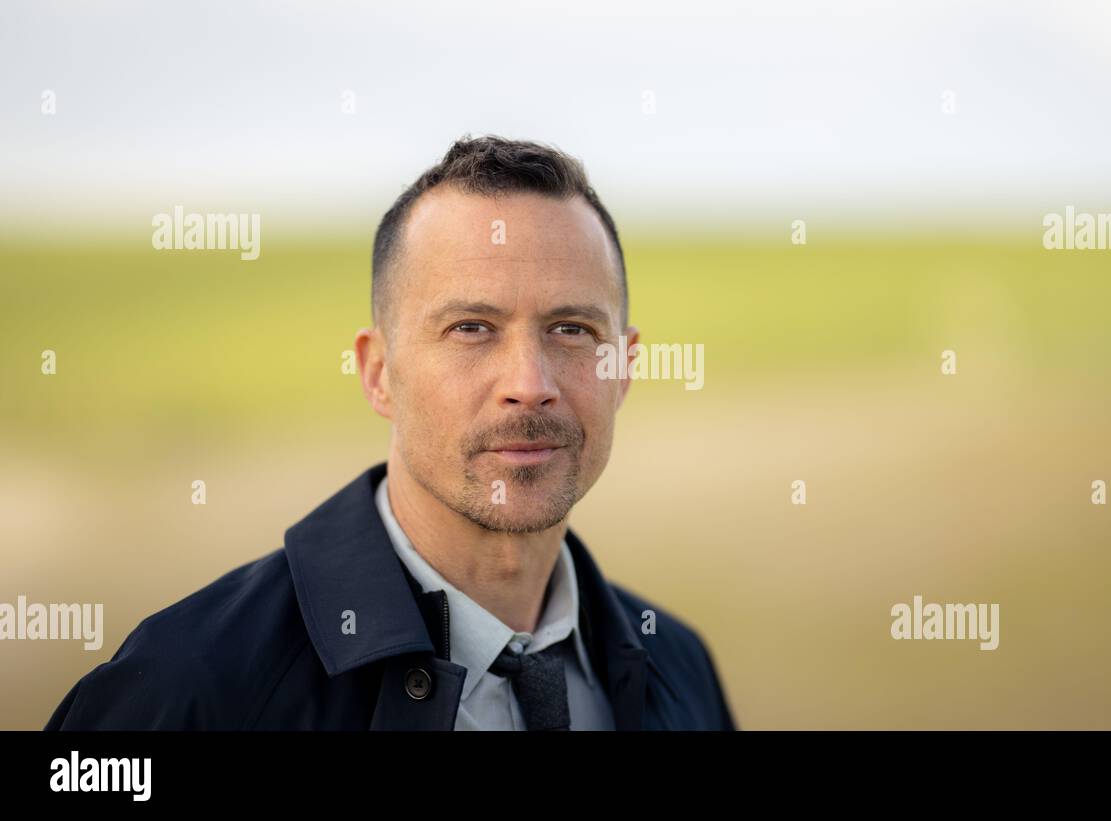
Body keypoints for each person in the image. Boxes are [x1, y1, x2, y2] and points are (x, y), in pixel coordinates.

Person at [45, 135, 736, 731]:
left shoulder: (679, 669)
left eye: (572, 330)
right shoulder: (188, 687)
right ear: (379, 372)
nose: (530, 381)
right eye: (472, 328)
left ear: (623, 367)